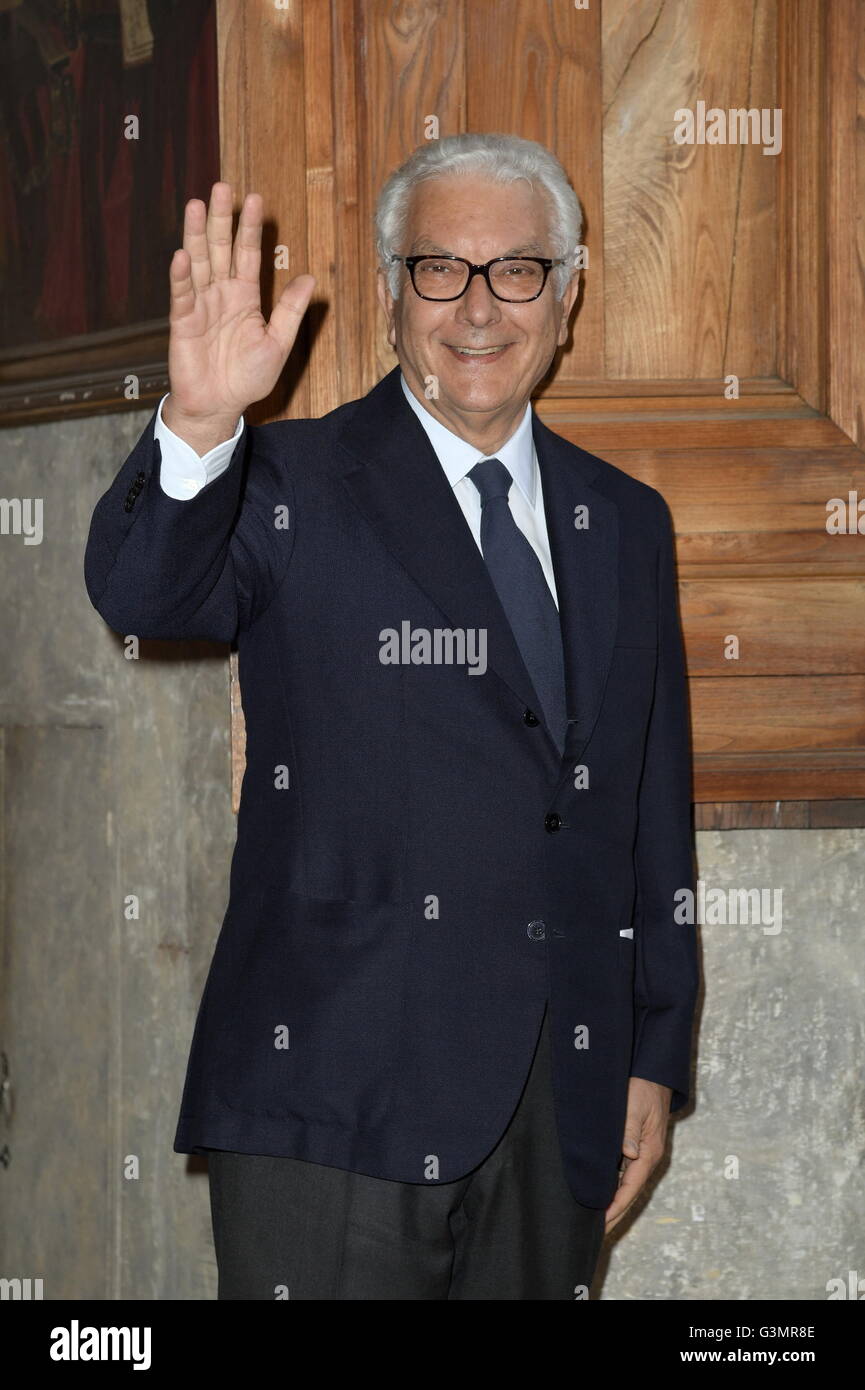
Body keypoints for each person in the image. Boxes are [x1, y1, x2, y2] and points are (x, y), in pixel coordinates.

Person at [85, 132, 699, 1300]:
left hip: (553, 1102)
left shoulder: (625, 522)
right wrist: (198, 424)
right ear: (387, 294)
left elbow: (645, 808)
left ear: (567, 298)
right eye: (438, 269)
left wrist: (651, 1052)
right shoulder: (283, 484)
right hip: (328, 1100)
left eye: (517, 270)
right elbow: (145, 592)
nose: (478, 308)